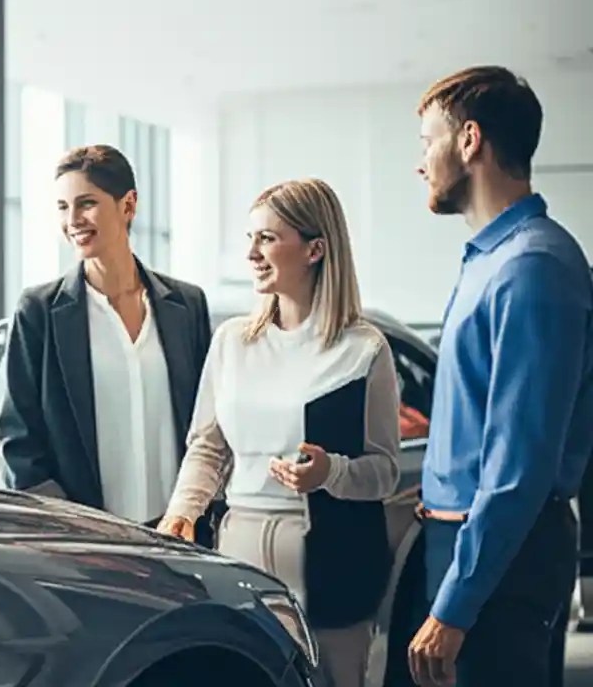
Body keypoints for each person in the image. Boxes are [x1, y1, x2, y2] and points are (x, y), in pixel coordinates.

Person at [160, 178, 400, 687]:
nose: (251, 253)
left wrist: (330, 472)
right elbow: (208, 447)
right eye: (250, 238)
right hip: (239, 547)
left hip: (331, 558)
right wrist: (183, 512)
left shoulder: (363, 350)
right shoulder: (231, 343)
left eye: (267, 238)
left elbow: (384, 473)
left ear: (315, 249)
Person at [406, 66, 593, 687]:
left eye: (428, 141)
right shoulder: (493, 258)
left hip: (501, 557)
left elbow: (520, 464)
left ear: (470, 140)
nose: (420, 163)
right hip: (472, 542)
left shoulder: (531, 267)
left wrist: (456, 605)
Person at [0, 144, 214, 535]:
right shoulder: (39, 311)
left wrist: (198, 511)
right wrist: (72, 530)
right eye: (62, 207)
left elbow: (210, 429)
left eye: (86, 203)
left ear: (128, 205)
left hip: (182, 535)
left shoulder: (187, 306)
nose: (73, 220)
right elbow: (20, 443)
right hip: (89, 545)